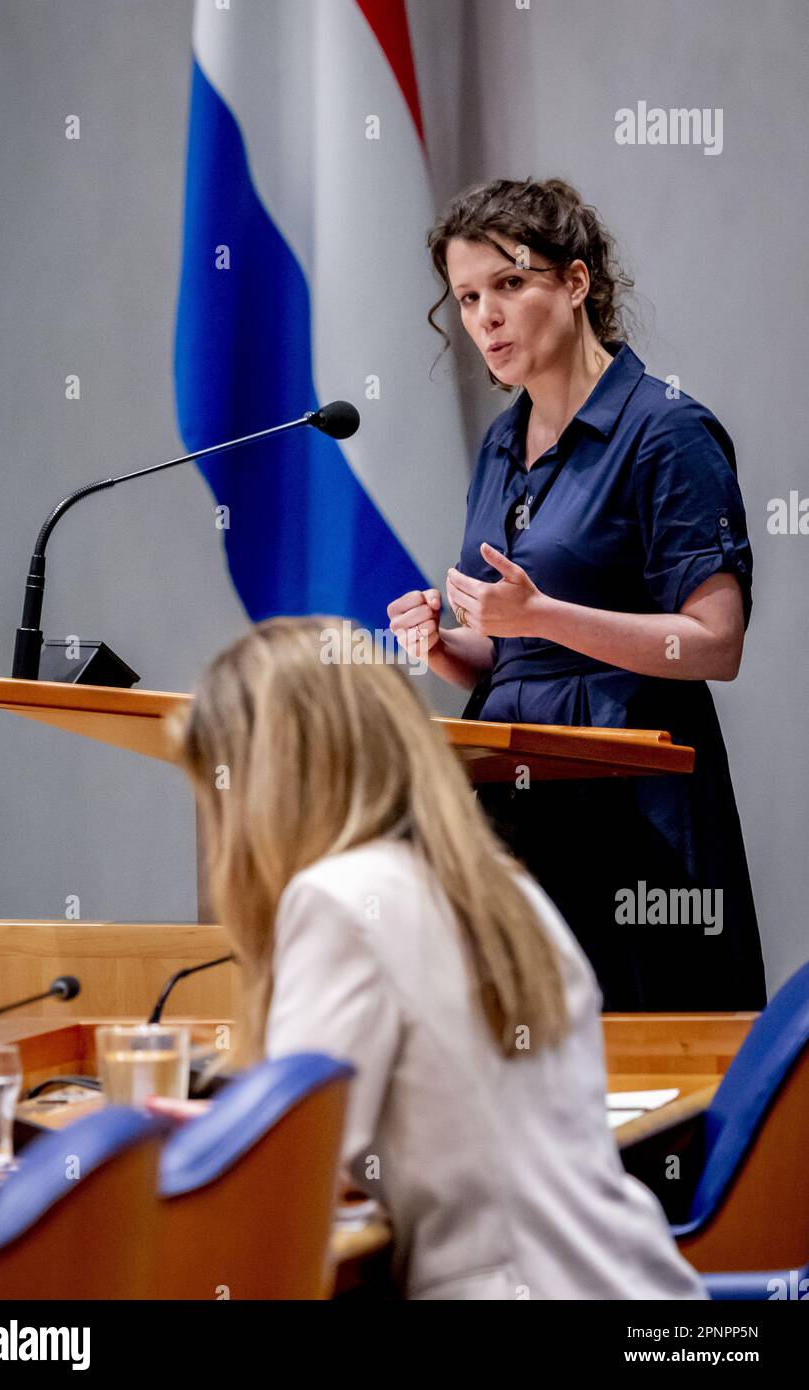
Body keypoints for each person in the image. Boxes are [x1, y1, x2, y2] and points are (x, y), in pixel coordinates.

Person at [153, 616, 706, 1300]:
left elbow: (292, 1183)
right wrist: (245, 1126)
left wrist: (197, 1151)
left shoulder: (337, 900)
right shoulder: (500, 884)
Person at [388, 176, 766, 1012]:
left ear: (575, 282)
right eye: (468, 296)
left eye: (510, 284)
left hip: (630, 798)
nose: (485, 316)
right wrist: (449, 645)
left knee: (636, 1041)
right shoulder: (498, 444)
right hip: (512, 792)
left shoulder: (666, 430)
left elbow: (715, 642)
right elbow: (518, 657)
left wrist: (541, 613)